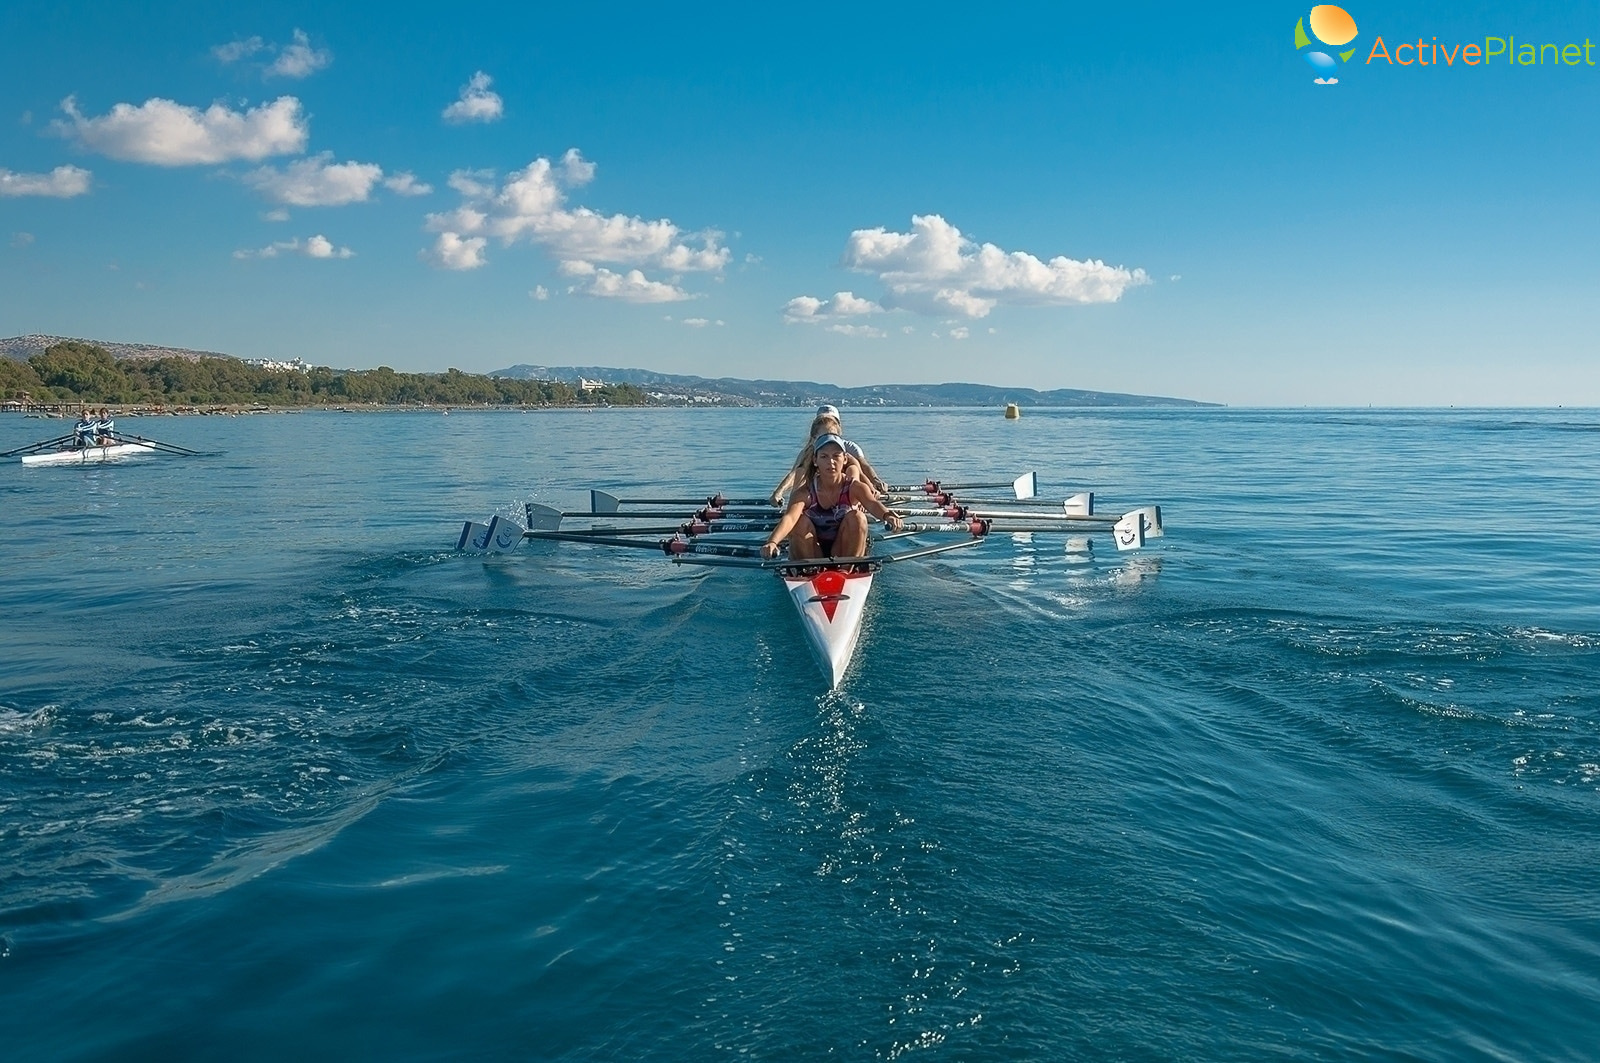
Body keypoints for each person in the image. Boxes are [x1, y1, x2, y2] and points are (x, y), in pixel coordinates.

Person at [761, 434, 903, 560]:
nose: (831, 462)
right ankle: (808, 570)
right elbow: (789, 518)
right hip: (812, 551)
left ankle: (848, 569)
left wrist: (888, 515)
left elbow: (872, 503)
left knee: (858, 517)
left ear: (845, 459)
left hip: (843, 549)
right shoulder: (804, 492)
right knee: (799, 521)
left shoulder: (855, 487)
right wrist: (772, 542)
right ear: (815, 461)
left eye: (836, 456)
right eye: (824, 456)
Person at [768, 404, 886, 505]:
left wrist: (873, 485)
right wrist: (778, 493)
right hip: (818, 493)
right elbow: (794, 474)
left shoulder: (849, 448)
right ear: (814, 436)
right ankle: (796, 508)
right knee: (801, 471)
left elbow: (863, 468)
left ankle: (854, 502)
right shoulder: (808, 452)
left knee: (853, 468)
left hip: (843, 492)